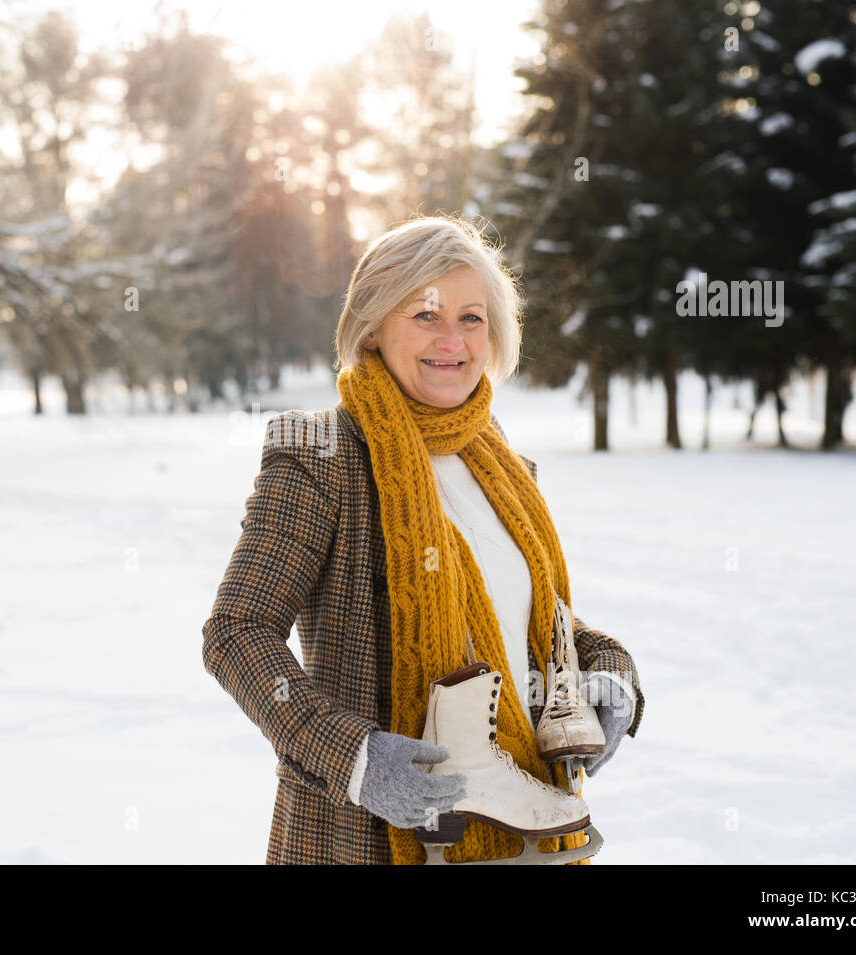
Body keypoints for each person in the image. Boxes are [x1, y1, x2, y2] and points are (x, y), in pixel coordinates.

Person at [202, 215, 644, 865]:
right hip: (364, 841)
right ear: (374, 327)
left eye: (472, 317)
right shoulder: (323, 455)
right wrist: (351, 755)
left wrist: (608, 676)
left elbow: (534, 620)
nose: (452, 339)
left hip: (521, 837)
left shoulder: (506, 470)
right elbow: (237, 631)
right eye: (426, 314)